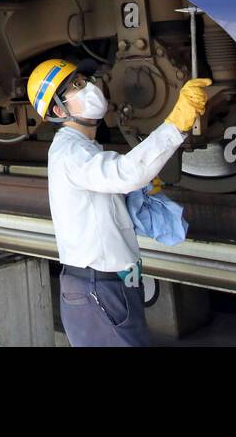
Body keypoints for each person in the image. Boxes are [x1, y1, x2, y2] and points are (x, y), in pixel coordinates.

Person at [27, 58, 211, 347]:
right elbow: (126, 173)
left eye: (83, 80)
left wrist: (131, 196)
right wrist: (176, 124)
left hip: (113, 284)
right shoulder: (70, 152)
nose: (87, 87)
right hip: (97, 286)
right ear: (58, 110)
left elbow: (113, 189)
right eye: (75, 86)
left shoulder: (85, 148)